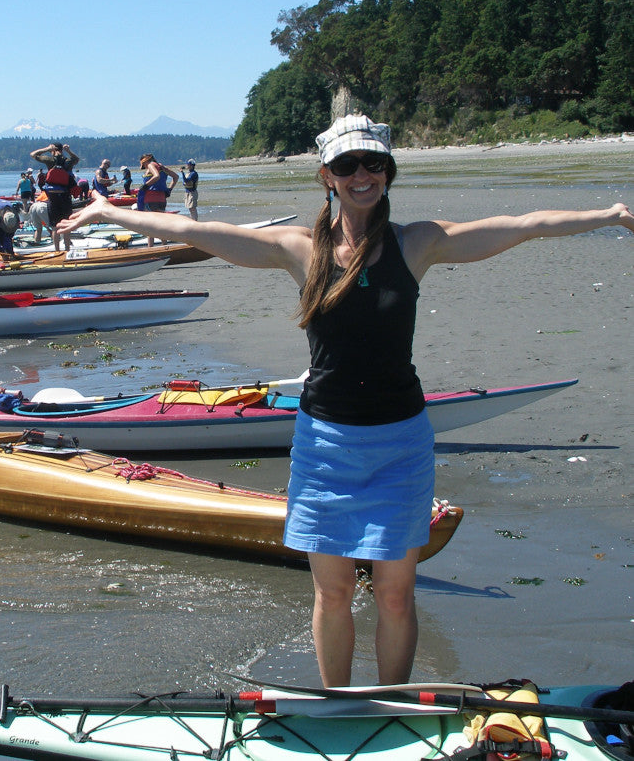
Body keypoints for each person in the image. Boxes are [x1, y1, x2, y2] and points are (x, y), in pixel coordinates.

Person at [58, 113, 634, 687]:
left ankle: (391, 706)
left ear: (388, 170)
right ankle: (340, 707)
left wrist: (610, 213)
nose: (362, 175)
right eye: (346, 165)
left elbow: (525, 224)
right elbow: (194, 232)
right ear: (326, 176)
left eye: (373, 163)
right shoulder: (300, 250)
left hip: (400, 444)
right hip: (325, 445)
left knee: (395, 596)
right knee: (332, 594)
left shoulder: (416, 243)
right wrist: (109, 211)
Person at [30, 142, 81, 251]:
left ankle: (57, 251)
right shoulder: (67, 161)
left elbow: (33, 154)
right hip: (65, 196)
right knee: (66, 225)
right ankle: (67, 250)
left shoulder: (50, 161)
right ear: (62, 150)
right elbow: (77, 159)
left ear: (53, 149)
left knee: (55, 226)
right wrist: (69, 151)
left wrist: (46, 148)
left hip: (53, 198)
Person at [136, 153, 179, 246]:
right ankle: (164, 246)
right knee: (161, 224)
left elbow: (156, 176)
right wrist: (169, 189)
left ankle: (150, 249)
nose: (144, 166)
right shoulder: (161, 166)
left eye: (143, 164)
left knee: (150, 226)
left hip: (150, 199)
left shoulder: (151, 165)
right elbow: (176, 177)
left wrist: (145, 185)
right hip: (162, 199)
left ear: (145, 161)